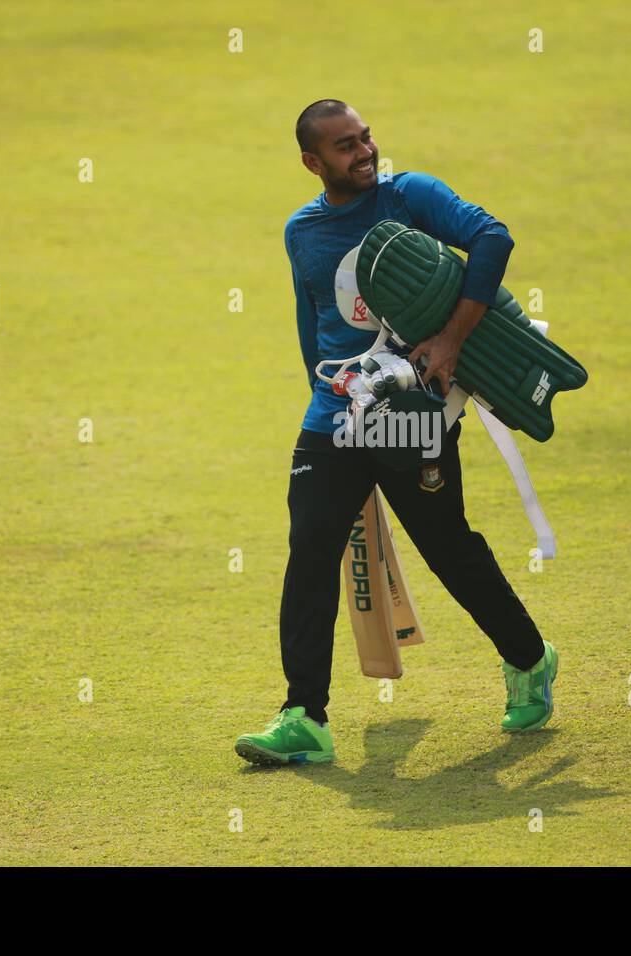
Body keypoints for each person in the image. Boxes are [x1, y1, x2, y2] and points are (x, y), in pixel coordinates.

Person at [233, 100, 558, 766]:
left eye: (366, 138)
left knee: (448, 549)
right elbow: (312, 316)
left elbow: (494, 238)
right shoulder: (303, 230)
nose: (364, 152)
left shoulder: (411, 195)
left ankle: (530, 658)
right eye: (346, 146)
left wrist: (450, 340)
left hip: (416, 409)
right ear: (312, 162)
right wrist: (320, 403)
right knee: (309, 548)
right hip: (336, 416)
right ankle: (304, 715)